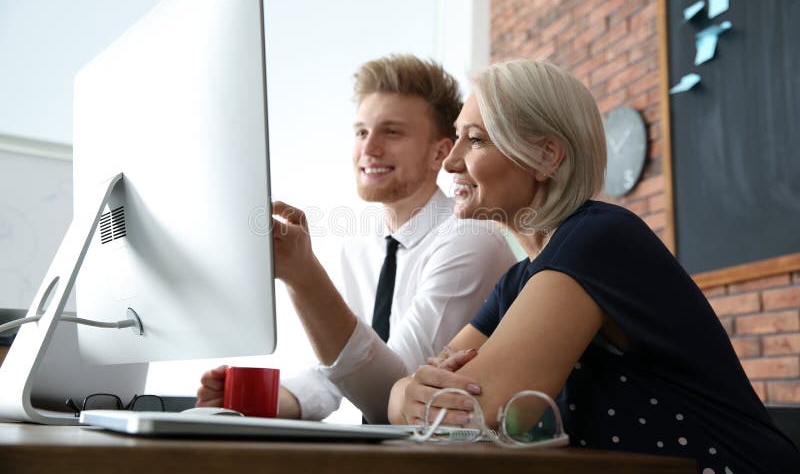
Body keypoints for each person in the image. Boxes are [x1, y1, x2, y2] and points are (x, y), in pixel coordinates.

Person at [388, 59, 798, 472]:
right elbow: (423, 392)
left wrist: (418, 397)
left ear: (546, 157)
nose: (450, 162)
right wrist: (407, 394)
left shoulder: (595, 240)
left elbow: (476, 411)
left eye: (474, 140)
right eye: (456, 138)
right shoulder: (515, 283)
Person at [196, 54, 516, 423]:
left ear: (439, 153)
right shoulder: (360, 250)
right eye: (362, 131)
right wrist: (256, 403)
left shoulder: (469, 242)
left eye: (391, 132)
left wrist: (304, 276)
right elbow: (336, 374)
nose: (370, 148)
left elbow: (393, 395)